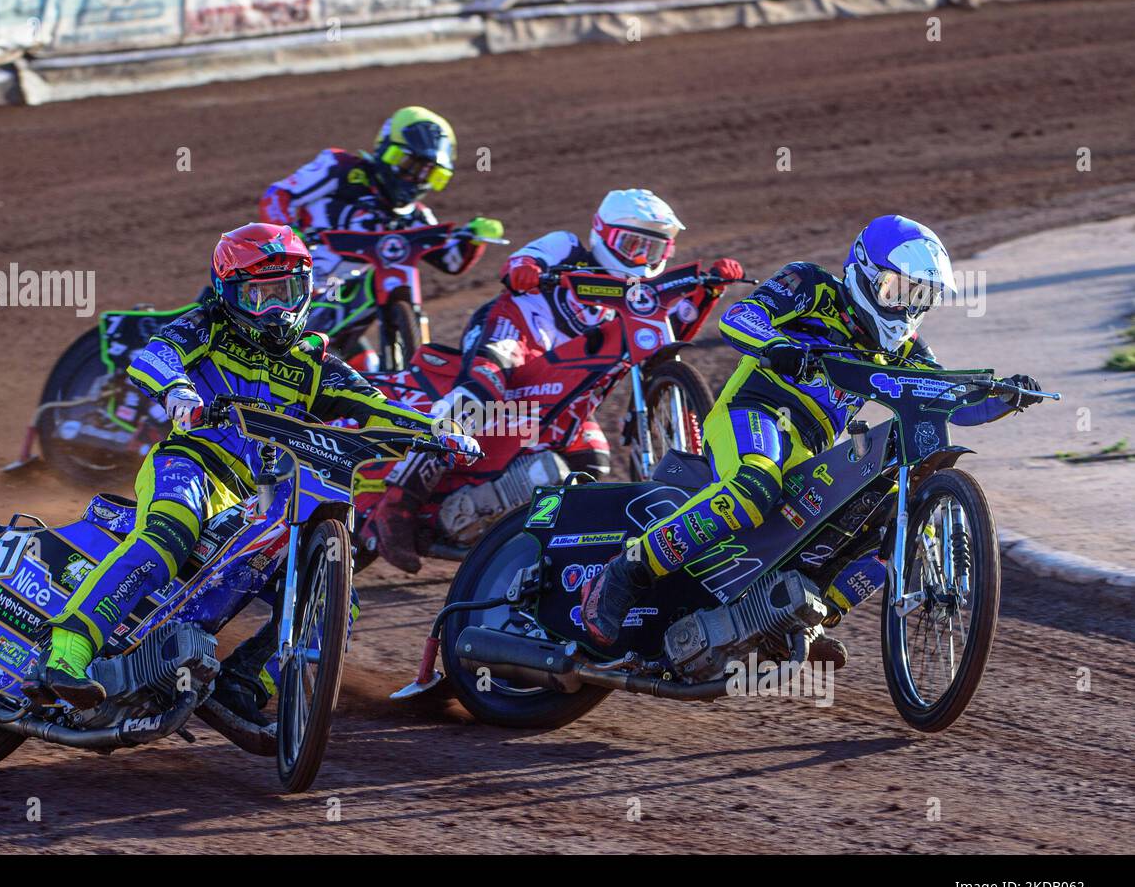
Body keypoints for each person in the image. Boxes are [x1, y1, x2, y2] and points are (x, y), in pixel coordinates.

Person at [24, 223, 478, 723]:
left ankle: (241, 684)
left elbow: (377, 407)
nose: (278, 309)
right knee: (169, 532)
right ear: (228, 292)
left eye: (288, 293)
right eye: (260, 295)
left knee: (332, 602)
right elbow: (154, 356)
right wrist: (178, 392)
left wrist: (438, 429)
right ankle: (67, 650)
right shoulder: (207, 326)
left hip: (257, 499)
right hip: (189, 463)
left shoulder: (313, 361)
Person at [580, 214, 1043, 653]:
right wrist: (779, 346)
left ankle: (801, 618)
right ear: (863, 273)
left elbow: (950, 402)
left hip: (811, 450)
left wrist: (1004, 396)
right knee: (754, 486)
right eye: (897, 289)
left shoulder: (907, 348)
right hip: (754, 412)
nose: (905, 306)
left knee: (879, 518)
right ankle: (628, 569)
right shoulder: (811, 285)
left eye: (919, 296)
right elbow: (739, 316)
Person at [364, 188, 745, 573]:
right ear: (603, 234)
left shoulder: (639, 297)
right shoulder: (566, 246)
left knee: (592, 458)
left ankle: (529, 541)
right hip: (517, 330)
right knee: (482, 393)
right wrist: (525, 270)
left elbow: (665, 337)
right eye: (633, 245)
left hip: (557, 391)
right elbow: (521, 263)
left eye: (656, 251)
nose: (643, 260)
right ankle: (397, 504)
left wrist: (709, 290)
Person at [260, 106, 503, 365]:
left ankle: (409, 374)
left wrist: (475, 237)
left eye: (430, 173)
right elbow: (278, 194)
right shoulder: (340, 168)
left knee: (367, 367)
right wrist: (290, 233)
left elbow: (451, 261)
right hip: (295, 289)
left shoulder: (415, 217)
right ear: (385, 148)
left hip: (345, 304)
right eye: (408, 164)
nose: (415, 178)